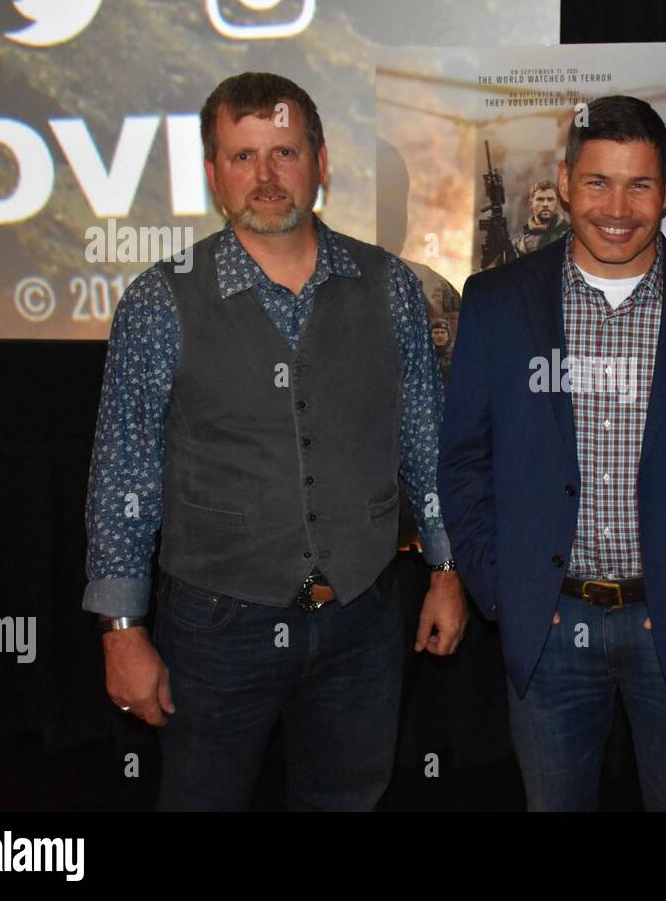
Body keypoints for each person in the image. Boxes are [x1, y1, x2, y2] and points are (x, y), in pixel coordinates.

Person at [83, 72, 467, 810]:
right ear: (212, 175)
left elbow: (425, 435)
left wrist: (448, 570)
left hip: (364, 615)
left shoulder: (390, 286)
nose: (265, 177)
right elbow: (124, 475)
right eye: (242, 157)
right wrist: (121, 629)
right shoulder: (161, 300)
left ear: (321, 166)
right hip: (217, 624)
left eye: (285, 153)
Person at [438, 95, 666, 811]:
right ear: (565, 184)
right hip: (548, 625)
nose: (617, 206)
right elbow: (464, 462)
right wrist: (503, 588)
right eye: (598, 181)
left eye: (639, 184)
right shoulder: (497, 303)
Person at [512, 179, 570, 256]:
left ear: (557, 203)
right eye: (540, 199)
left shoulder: (569, 234)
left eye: (550, 199)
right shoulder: (521, 243)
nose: (545, 204)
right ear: (530, 203)